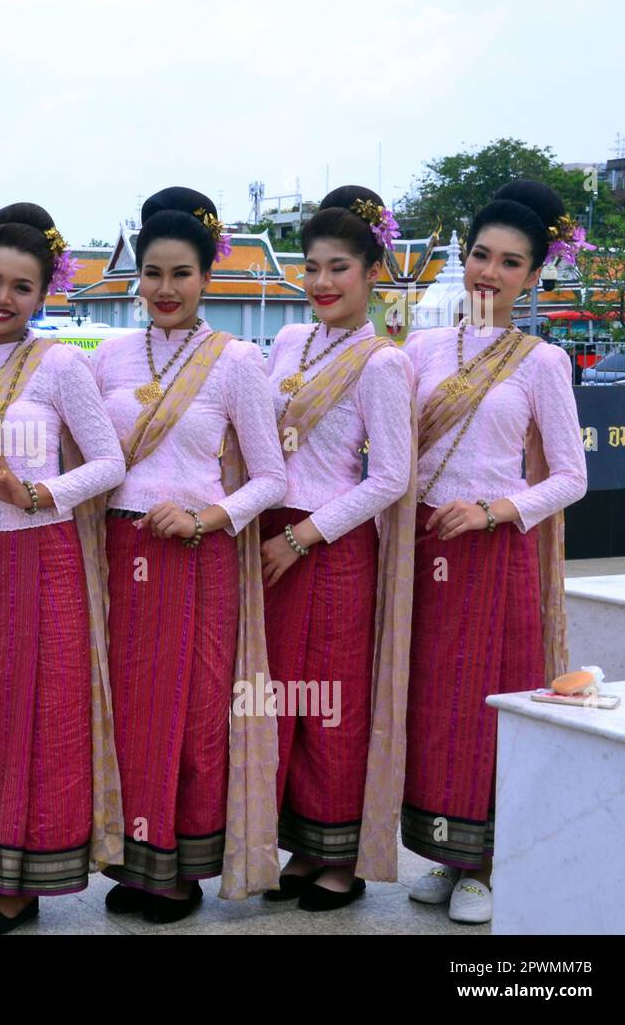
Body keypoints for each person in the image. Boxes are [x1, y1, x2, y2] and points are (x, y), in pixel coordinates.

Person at [0, 202, 127, 935]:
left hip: (39, 559)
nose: (2, 298)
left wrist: (40, 493)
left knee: (35, 718)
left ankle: (23, 884)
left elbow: (110, 462)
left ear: (44, 296)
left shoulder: (61, 365)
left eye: (20, 287)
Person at [92, 187, 287, 922]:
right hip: (120, 552)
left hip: (196, 557)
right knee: (128, 710)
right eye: (152, 273)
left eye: (181, 274)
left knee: (191, 711)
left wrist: (210, 516)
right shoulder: (107, 355)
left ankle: (178, 867)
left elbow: (271, 476)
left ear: (208, 277)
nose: (164, 289)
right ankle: (136, 857)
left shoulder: (237, 361)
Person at [401, 180, 589, 924]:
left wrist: (493, 511)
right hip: (422, 546)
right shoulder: (415, 349)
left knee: (488, 706)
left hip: (496, 555)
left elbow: (572, 476)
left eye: (511, 263)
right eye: (481, 254)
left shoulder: (541, 362)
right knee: (432, 706)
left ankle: (489, 861)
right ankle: (445, 855)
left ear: (533, 276)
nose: (490, 273)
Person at [259, 187, 415, 911]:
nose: (321, 282)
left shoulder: (381, 362)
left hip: (330, 544)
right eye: (312, 267)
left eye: (339, 268)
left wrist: (302, 536)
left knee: (331, 704)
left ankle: (339, 857)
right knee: (279, 700)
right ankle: (296, 845)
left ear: (372, 273)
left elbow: (390, 476)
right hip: (272, 537)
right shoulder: (290, 341)